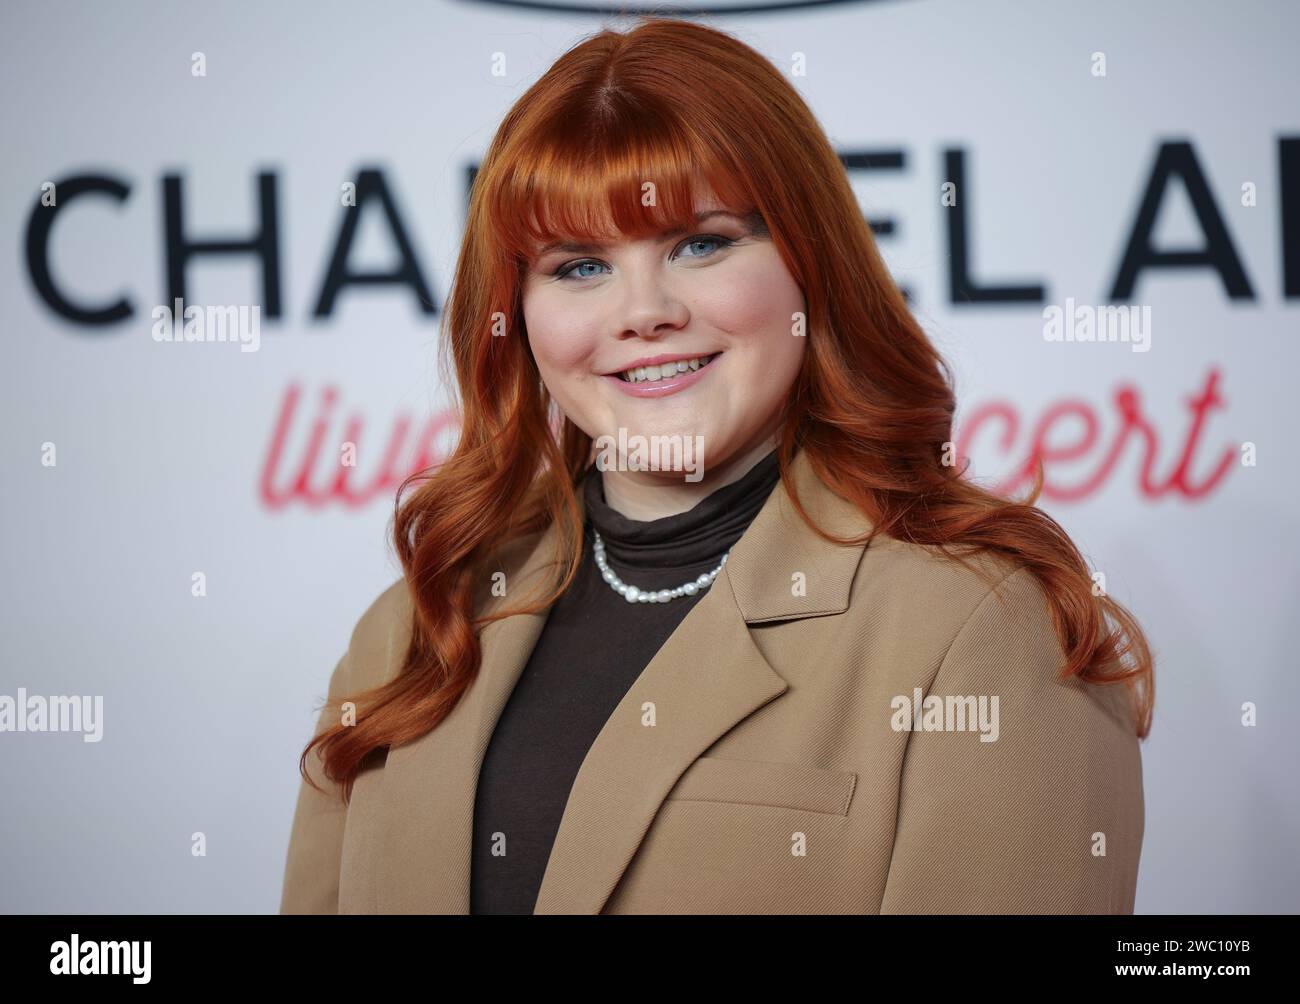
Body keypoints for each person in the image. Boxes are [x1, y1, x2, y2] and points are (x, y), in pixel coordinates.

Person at [279, 16, 1153, 915]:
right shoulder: (419, 623)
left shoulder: (986, 631)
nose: (643, 312)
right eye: (579, 266)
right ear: (517, 314)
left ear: (813, 267)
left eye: (702, 244)